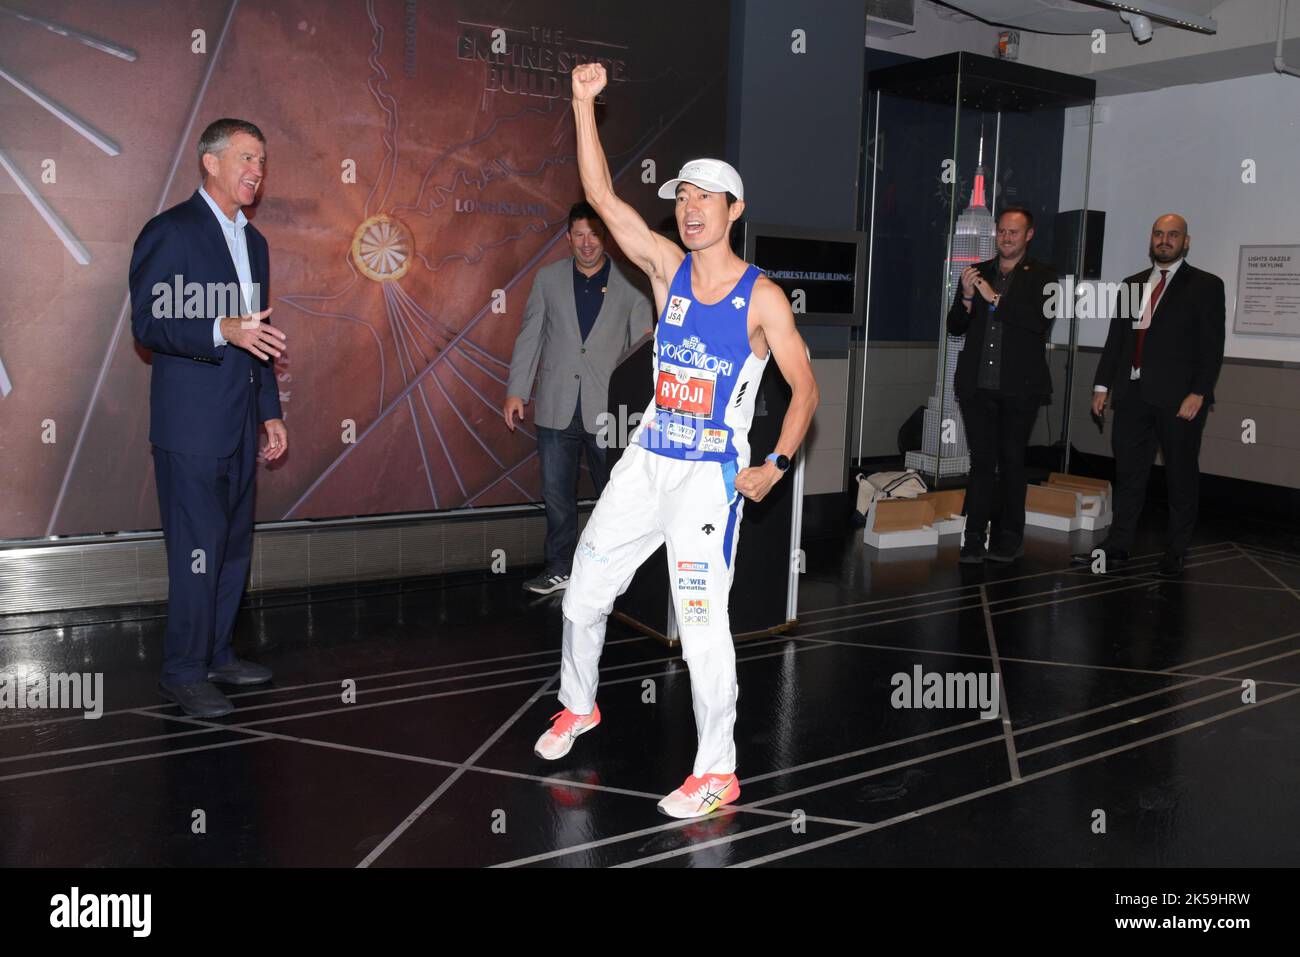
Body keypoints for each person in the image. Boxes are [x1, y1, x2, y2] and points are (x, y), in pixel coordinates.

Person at [532, 62, 819, 819]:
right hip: (647, 462)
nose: (689, 210)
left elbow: (806, 390)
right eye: (682, 199)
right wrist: (582, 103)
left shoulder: (762, 296)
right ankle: (579, 705)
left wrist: (776, 464)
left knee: (701, 629)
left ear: (735, 208)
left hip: (706, 484)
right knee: (583, 592)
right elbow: (600, 198)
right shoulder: (666, 268)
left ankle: (718, 771)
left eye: (703, 199)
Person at [128, 118, 287, 717]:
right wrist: (219, 328)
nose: (257, 171)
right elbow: (148, 323)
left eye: (263, 161)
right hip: (190, 425)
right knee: (196, 549)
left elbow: (259, 336)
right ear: (210, 162)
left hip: (242, 419)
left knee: (230, 548)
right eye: (247, 157)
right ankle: (183, 670)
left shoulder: (256, 242)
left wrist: (270, 411)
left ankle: (218, 654)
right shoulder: (170, 231)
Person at [504, 202, 654, 595]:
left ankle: (615, 572)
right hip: (556, 406)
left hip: (610, 412)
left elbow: (642, 351)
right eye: (579, 235)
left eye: (594, 235)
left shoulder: (633, 283)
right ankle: (559, 568)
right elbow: (530, 337)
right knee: (556, 495)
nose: (587, 244)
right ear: (568, 237)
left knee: (616, 496)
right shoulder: (547, 279)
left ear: (605, 237)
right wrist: (517, 391)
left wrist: (643, 410)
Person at [1072, 214, 1225, 577]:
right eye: (1159, 234)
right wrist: (1101, 386)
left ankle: (1176, 550)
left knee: (1180, 476)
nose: (1164, 240)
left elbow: (1211, 346)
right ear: (1151, 239)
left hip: (1179, 400)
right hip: (1132, 395)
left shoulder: (1205, 285)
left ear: (1186, 242)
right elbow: (1116, 342)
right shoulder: (1132, 284)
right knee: (1128, 474)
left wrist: (1199, 392)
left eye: (1173, 235)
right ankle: (1118, 545)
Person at [947, 207, 1058, 564]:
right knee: (981, 463)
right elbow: (955, 327)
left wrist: (992, 297)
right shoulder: (978, 272)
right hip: (977, 387)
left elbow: (1038, 321)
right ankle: (974, 537)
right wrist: (966, 296)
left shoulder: (1045, 275)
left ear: (1029, 235)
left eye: (1014, 232)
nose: (1006, 238)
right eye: (1001, 232)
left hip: (1019, 388)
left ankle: (1010, 536)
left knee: (1012, 462)